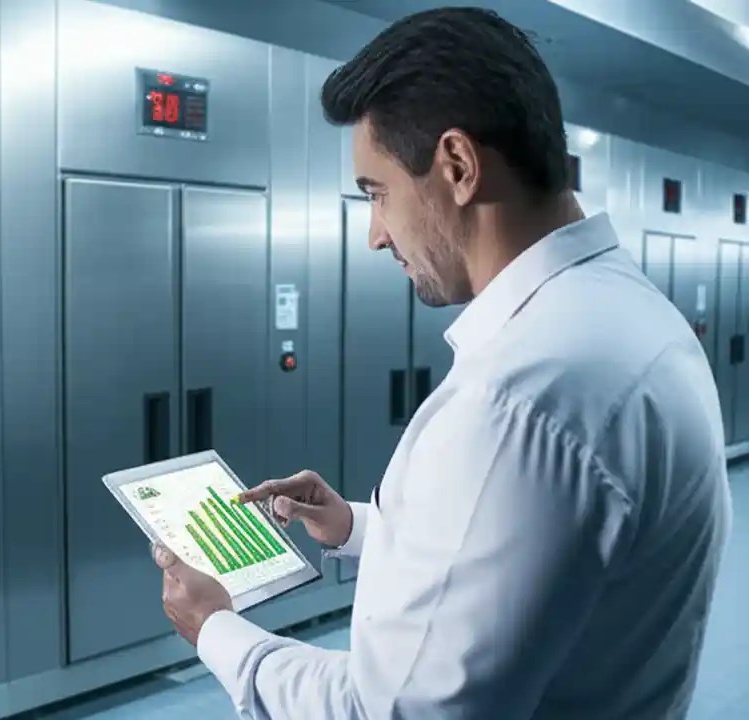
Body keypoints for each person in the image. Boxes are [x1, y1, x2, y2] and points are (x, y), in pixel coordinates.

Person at [152, 7, 733, 719]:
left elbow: (394, 711)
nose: (374, 234)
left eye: (377, 193)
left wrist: (216, 630)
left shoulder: (520, 396)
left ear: (457, 166)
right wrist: (354, 528)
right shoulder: (634, 318)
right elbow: (544, 562)